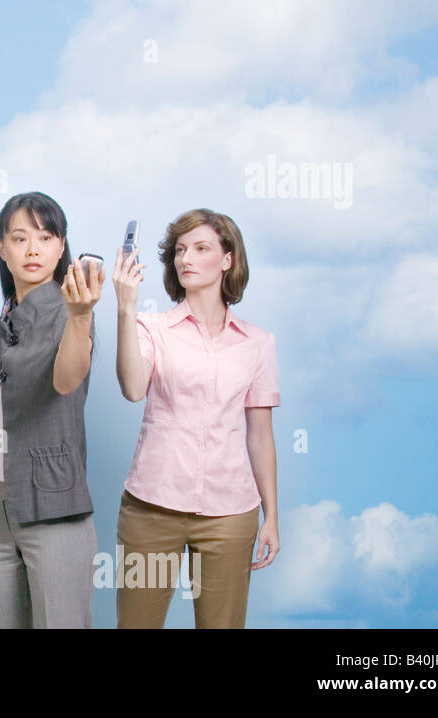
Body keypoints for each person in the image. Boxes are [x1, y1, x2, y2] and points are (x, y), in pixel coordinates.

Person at [111, 208, 280, 629]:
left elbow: (260, 436)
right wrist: (125, 309)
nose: (186, 258)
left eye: (201, 248)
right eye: (180, 250)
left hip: (230, 515)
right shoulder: (151, 328)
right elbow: (133, 389)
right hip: (151, 509)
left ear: (227, 259)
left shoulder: (258, 344)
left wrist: (271, 516)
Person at [0, 191, 101, 629]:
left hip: (54, 509)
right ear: (1, 248)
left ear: (61, 246)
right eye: (19, 238)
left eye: (45, 236)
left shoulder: (73, 314)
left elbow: (67, 380)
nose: (32, 249)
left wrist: (81, 317)